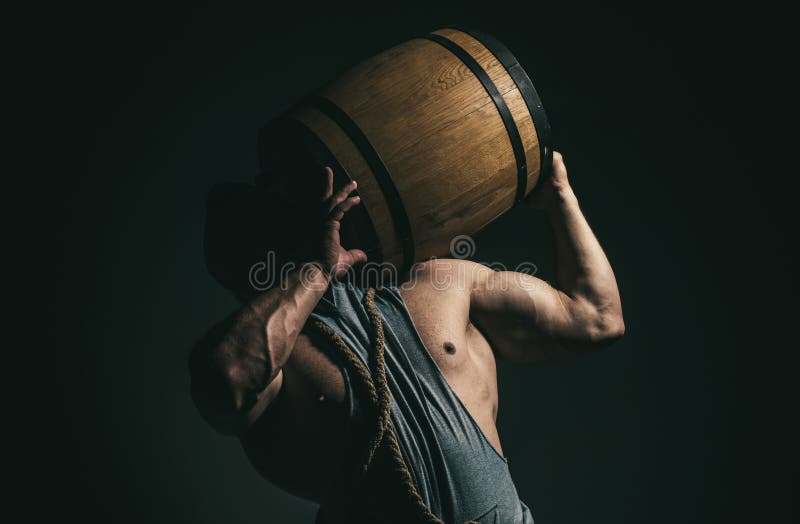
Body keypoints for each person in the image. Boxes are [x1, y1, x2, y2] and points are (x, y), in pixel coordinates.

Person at [189, 152, 624, 523]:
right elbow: (228, 378)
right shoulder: (266, 366)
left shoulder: (442, 283)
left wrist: (559, 197)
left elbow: (596, 319)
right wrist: (315, 271)